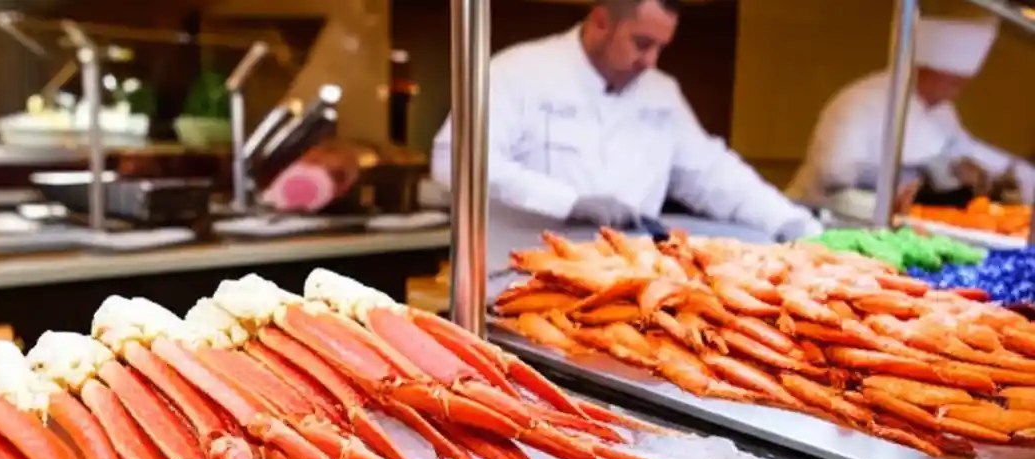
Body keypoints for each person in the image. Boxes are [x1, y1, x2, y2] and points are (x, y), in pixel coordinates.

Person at [430, 0, 821, 241]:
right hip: (514, 285)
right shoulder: (519, 72)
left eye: (660, 48)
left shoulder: (661, 92)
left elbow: (714, 175)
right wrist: (570, 203)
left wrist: (791, 223)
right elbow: (453, 160)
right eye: (642, 43)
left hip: (622, 288)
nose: (651, 60)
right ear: (601, 22)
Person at [789, 15, 1035, 209]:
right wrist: (918, 170)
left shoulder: (942, 111)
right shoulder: (862, 101)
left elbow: (967, 150)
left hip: (893, 220)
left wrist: (1021, 172)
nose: (956, 93)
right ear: (925, 71)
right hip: (821, 216)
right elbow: (835, 173)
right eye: (954, 83)